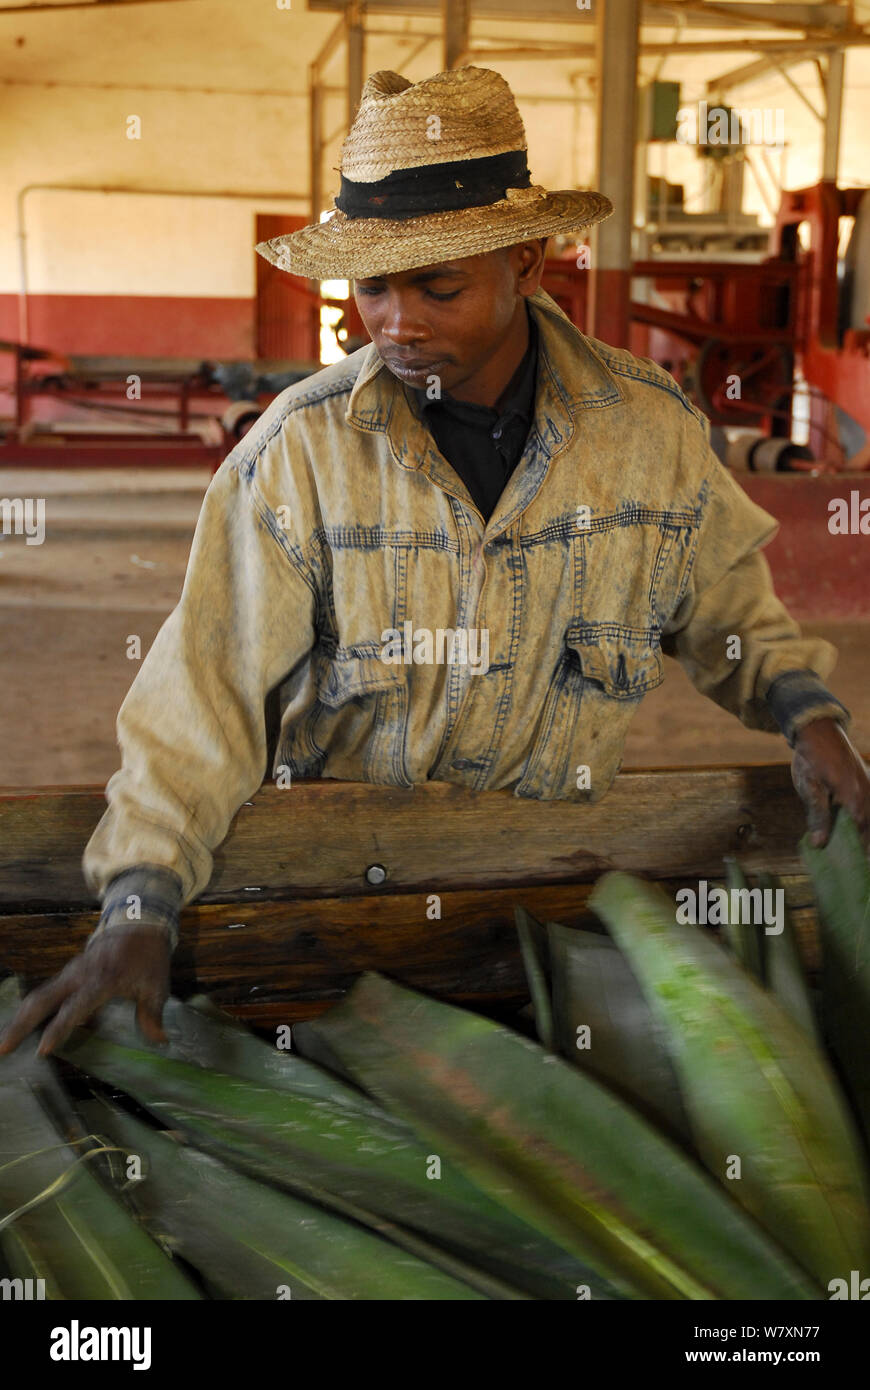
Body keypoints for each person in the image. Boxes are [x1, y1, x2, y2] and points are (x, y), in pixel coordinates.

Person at [2, 66, 867, 1058]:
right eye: (373, 286)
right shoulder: (301, 455)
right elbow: (205, 696)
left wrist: (807, 714)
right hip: (334, 904)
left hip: (555, 906)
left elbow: (727, 615)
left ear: (529, 261)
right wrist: (141, 905)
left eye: (437, 285)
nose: (399, 322)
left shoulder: (649, 434)